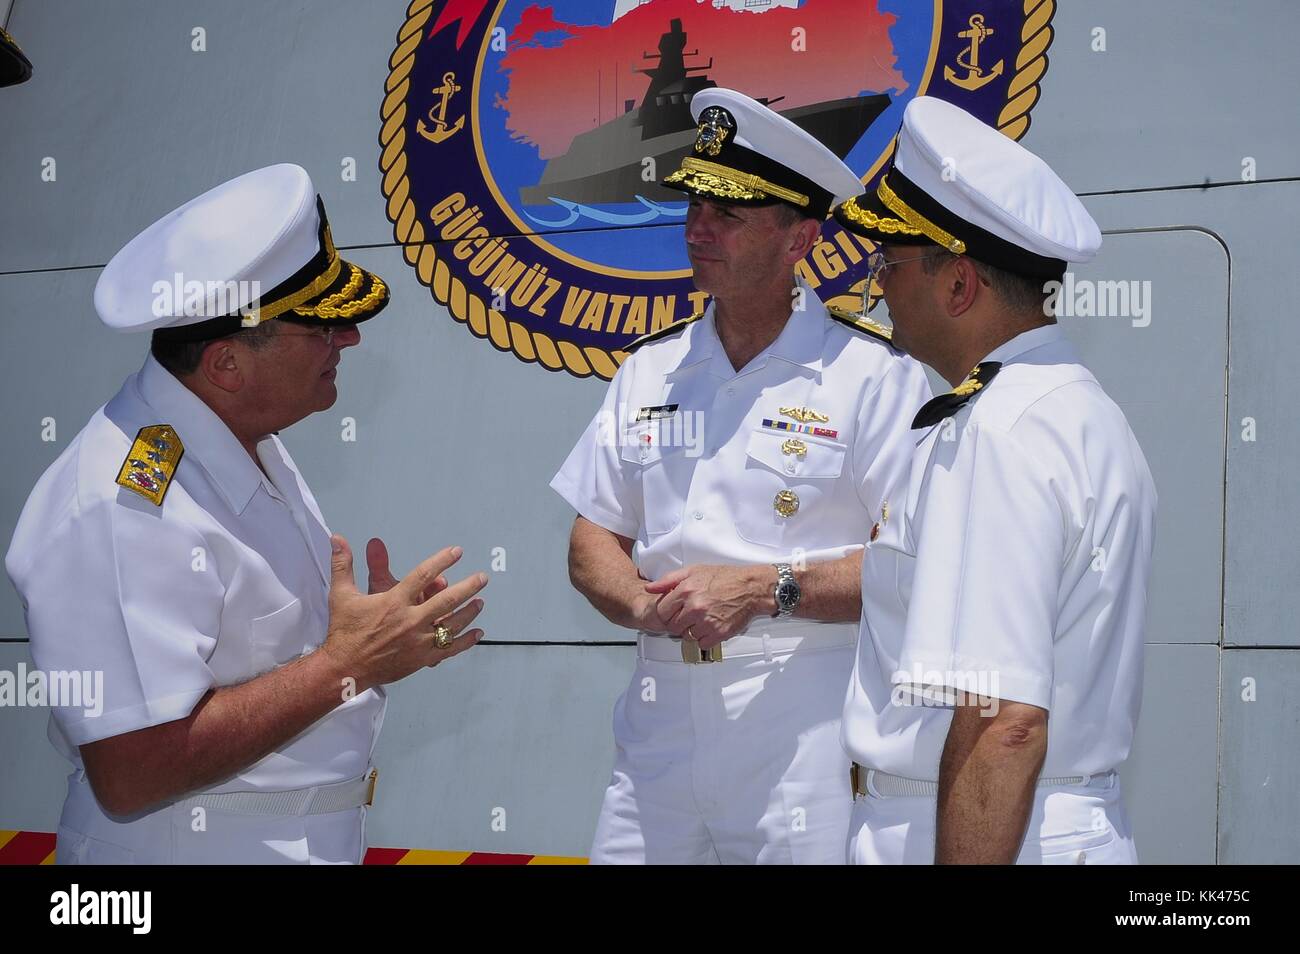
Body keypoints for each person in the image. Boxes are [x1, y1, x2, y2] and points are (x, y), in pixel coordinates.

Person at [5, 164, 488, 864]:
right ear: (227, 364)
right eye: (321, 327)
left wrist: (380, 636)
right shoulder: (119, 508)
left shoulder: (238, 438)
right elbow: (133, 770)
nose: (349, 339)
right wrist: (347, 661)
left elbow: (269, 653)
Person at [550, 89, 932, 864]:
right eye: (694, 206)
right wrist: (643, 604)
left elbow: (913, 563)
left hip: (802, 722)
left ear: (800, 238)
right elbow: (594, 535)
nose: (698, 228)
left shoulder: (872, 375)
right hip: (657, 720)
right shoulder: (650, 369)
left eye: (727, 213)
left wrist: (763, 589)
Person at [832, 96, 1157, 864]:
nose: (877, 285)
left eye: (890, 264)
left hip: (982, 830)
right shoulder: (1077, 410)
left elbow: (1002, 722)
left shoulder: (996, 432)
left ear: (958, 286)